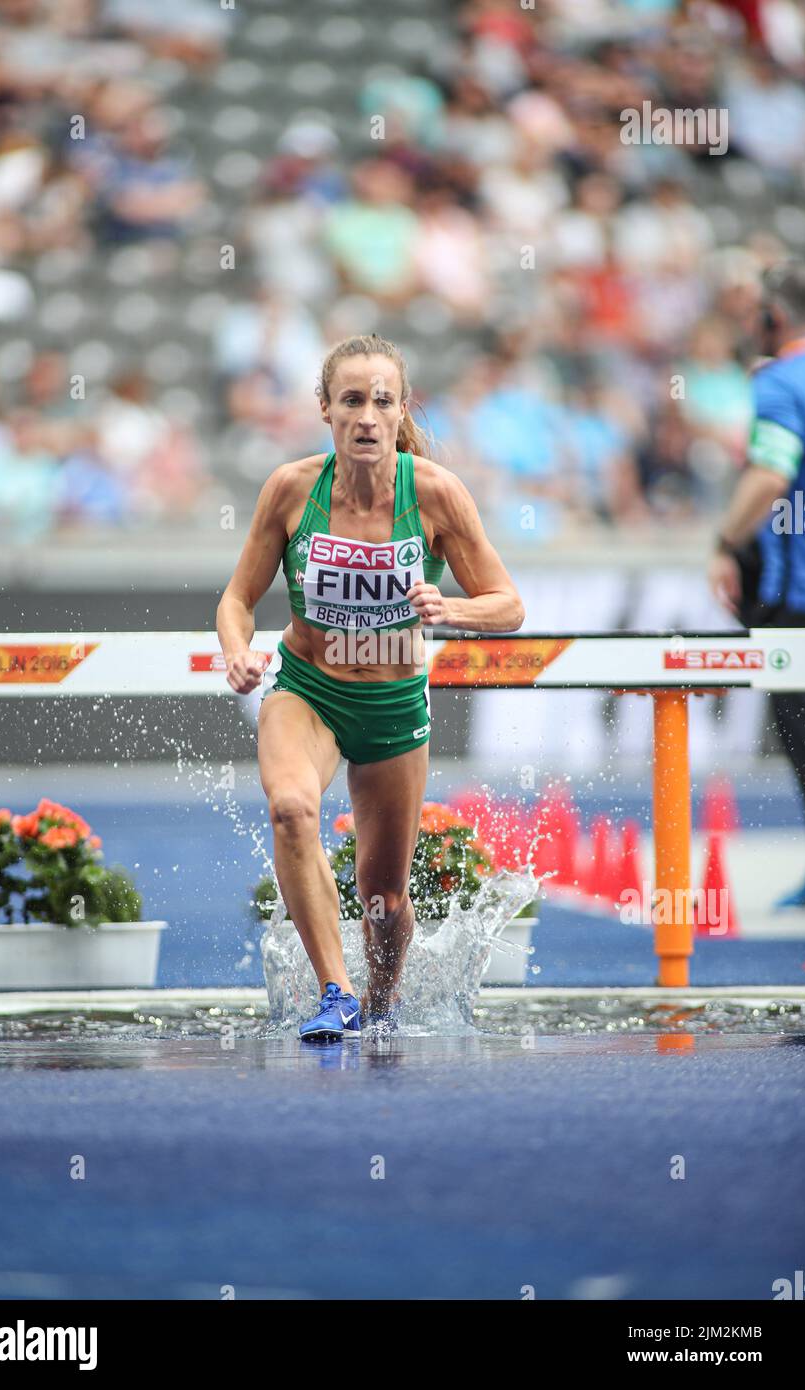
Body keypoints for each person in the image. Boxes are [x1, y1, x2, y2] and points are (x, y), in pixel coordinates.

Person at [216, 333, 524, 1040]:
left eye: (381, 401)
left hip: (391, 707)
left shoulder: (437, 494)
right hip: (309, 691)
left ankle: (382, 1006)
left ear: (400, 410)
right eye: (351, 400)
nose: (366, 416)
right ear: (324, 409)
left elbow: (508, 603)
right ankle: (337, 992)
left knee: (384, 896)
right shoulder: (293, 490)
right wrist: (236, 653)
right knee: (292, 809)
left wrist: (454, 610)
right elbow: (236, 598)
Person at [708, 259, 805, 907]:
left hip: (797, 604)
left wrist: (725, 541)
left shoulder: (780, 384)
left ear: (773, 318)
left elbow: (772, 473)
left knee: (804, 742)